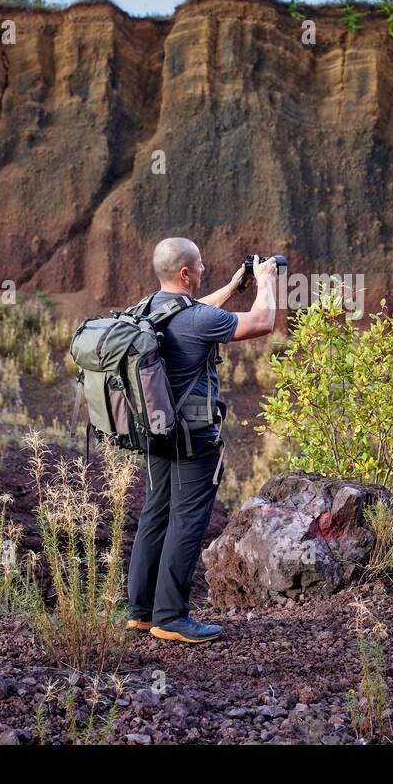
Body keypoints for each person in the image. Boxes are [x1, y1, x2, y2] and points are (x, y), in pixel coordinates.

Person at [126, 238, 278, 643]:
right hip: (193, 439)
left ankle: (141, 612)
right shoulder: (196, 320)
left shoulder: (146, 308)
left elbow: (193, 313)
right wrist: (265, 281)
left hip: (155, 432)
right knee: (187, 520)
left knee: (155, 515)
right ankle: (171, 617)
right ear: (185, 273)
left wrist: (231, 286)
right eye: (199, 265)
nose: (204, 268)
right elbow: (262, 322)